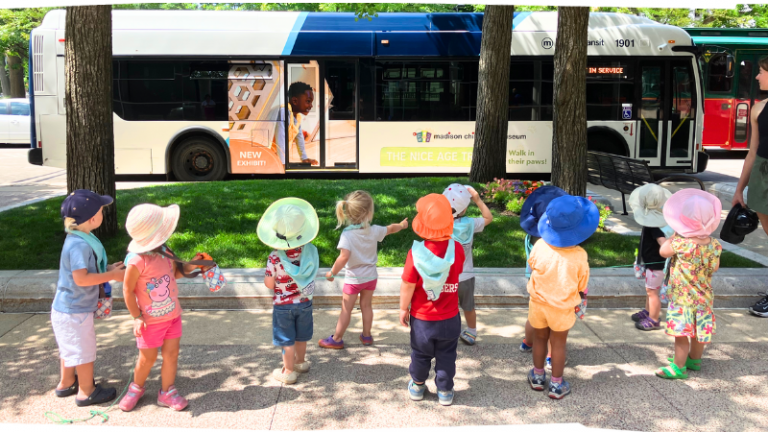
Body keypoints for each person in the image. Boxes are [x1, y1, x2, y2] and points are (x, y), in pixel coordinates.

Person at [119, 204, 208, 412]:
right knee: (147, 358)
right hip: (149, 322)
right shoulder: (137, 260)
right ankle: (136, 388)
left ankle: (167, 391)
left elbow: (175, 274)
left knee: (171, 355)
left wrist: (195, 263)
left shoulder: (165, 252)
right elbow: (127, 289)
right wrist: (137, 316)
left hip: (172, 317)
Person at [53, 190, 124, 406]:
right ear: (93, 218)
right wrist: (111, 276)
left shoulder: (79, 238)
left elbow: (86, 270)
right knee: (84, 351)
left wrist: (108, 268)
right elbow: (81, 279)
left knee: (69, 348)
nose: (102, 214)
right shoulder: (79, 245)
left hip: (66, 309)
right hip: (75, 312)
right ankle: (86, 391)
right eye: (101, 210)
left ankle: (66, 383)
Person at [527, 195, 598, 400]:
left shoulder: (540, 245)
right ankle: (557, 384)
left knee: (540, 338)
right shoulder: (579, 255)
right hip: (562, 307)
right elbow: (582, 284)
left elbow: (532, 265)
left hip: (538, 303)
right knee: (558, 344)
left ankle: (538, 377)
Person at [319, 190, 408, 349]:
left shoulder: (347, 235)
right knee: (366, 306)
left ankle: (337, 338)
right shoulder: (374, 230)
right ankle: (366, 335)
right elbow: (391, 228)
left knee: (346, 309)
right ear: (368, 213)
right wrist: (402, 225)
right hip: (370, 277)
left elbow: (343, 257)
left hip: (354, 279)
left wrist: (332, 272)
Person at [400, 194, 465, 406]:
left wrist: (403, 308)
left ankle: (418, 386)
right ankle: (445, 391)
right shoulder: (457, 250)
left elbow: (408, 284)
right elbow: (458, 271)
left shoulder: (416, 253)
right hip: (449, 318)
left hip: (422, 319)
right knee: (447, 355)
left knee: (420, 354)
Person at [655, 190, 722, 380]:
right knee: (698, 332)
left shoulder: (680, 243)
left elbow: (663, 252)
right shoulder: (715, 245)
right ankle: (695, 359)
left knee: (681, 335)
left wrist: (674, 235)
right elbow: (715, 267)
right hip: (704, 298)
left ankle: (678, 367)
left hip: (683, 299)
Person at [257, 198, 320, 384]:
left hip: (283, 306)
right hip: (305, 303)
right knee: (301, 336)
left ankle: (289, 371)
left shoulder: (274, 257)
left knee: (286, 340)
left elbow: (269, 284)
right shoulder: (311, 251)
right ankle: (300, 362)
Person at [517, 186, 567, 372]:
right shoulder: (563, 242)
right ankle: (551, 356)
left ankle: (527, 342)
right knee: (555, 324)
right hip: (558, 287)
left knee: (534, 317)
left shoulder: (532, 239)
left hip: (536, 284)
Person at [733, 57, 768, 315]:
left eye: (761, 72)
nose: (757, 77)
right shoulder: (758, 109)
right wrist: (739, 189)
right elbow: (752, 153)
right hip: (762, 175)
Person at [441, 183, 492, 345]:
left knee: (447, 306)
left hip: (446, 275)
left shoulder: (441, 225)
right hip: (466, 275)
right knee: (468, 306)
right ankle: (471, 332)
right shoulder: (471, 223)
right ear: (464, 208)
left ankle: (446, 332)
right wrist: (477, 199)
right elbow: (488, 218)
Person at [628, 184, 673, 331]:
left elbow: (663, 244)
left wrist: (668, 245)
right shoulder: (652, 222)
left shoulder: (655, 226)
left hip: (656, 265)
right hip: (651, 263)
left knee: (653, 292)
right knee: (650, 290)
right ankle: (648, 311)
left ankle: (653, 319)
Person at [273, 82, 319, 166]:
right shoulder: (284, 111)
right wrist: (282, 163)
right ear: (294, 101)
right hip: (268, 153)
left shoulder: (297, 116)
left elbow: (299, 137)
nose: (311, 106)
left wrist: (304, 158)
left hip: (275, 155)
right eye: (308, 101)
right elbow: (280, 138)